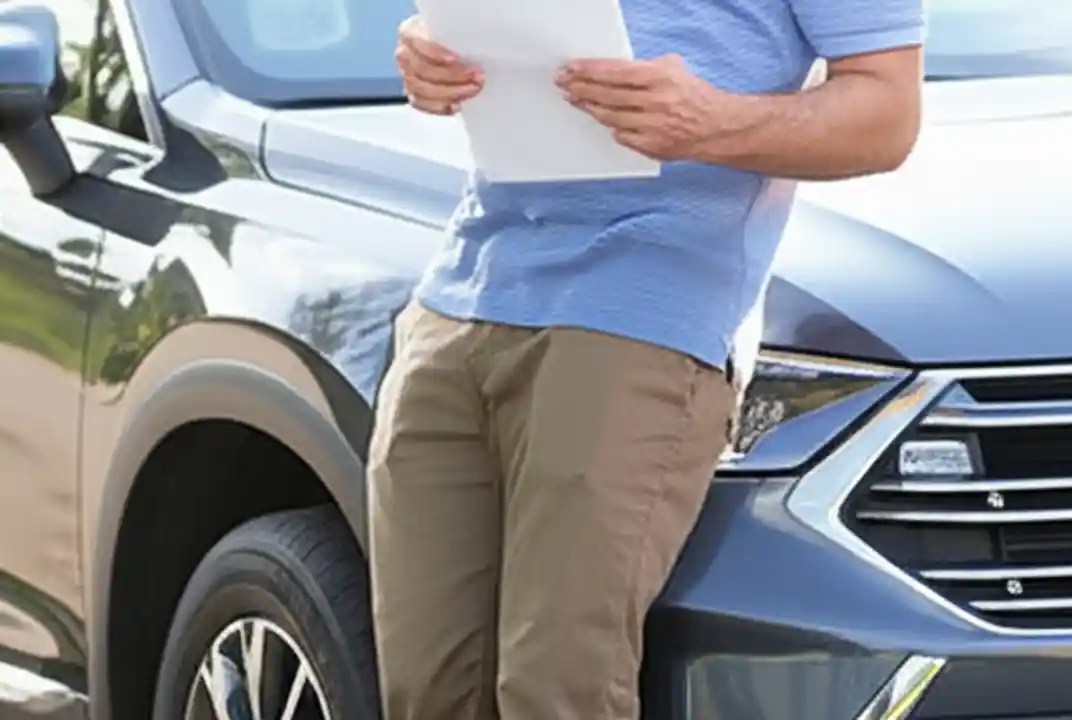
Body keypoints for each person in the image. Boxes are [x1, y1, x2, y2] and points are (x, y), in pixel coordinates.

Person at [369, 0, 925, 717]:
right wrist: (435, 52)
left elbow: (887, 112)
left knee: (559, 690)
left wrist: (711, 121)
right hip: (463, 292)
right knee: (425, 692)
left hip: (641, 309)